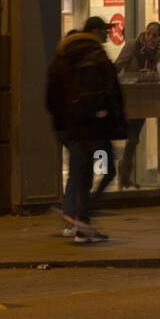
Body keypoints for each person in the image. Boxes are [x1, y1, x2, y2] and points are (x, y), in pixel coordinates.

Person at [46, 16, 125, 242]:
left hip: (71, 130)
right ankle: (84, 216)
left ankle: (81, 227)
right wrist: (114, 122)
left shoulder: (62, 57)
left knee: (82, 174)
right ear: (94, 32)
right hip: (95, 128)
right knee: (108, 171)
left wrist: (63, 125)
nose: (107, 35)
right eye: (104, 31)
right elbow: (111, 93)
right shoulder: (97, 56)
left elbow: (50, 97)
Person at [113, 21, 160, 188]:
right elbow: (118, 66)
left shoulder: (156, 53)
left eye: (154, 35)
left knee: (134, 139)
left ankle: (125, 176)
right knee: (132, 137)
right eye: (148, 33)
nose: (150, 37)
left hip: (143, 99)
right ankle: (123, 175)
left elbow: (158, 72)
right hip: (129, 98)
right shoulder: (132, 46)